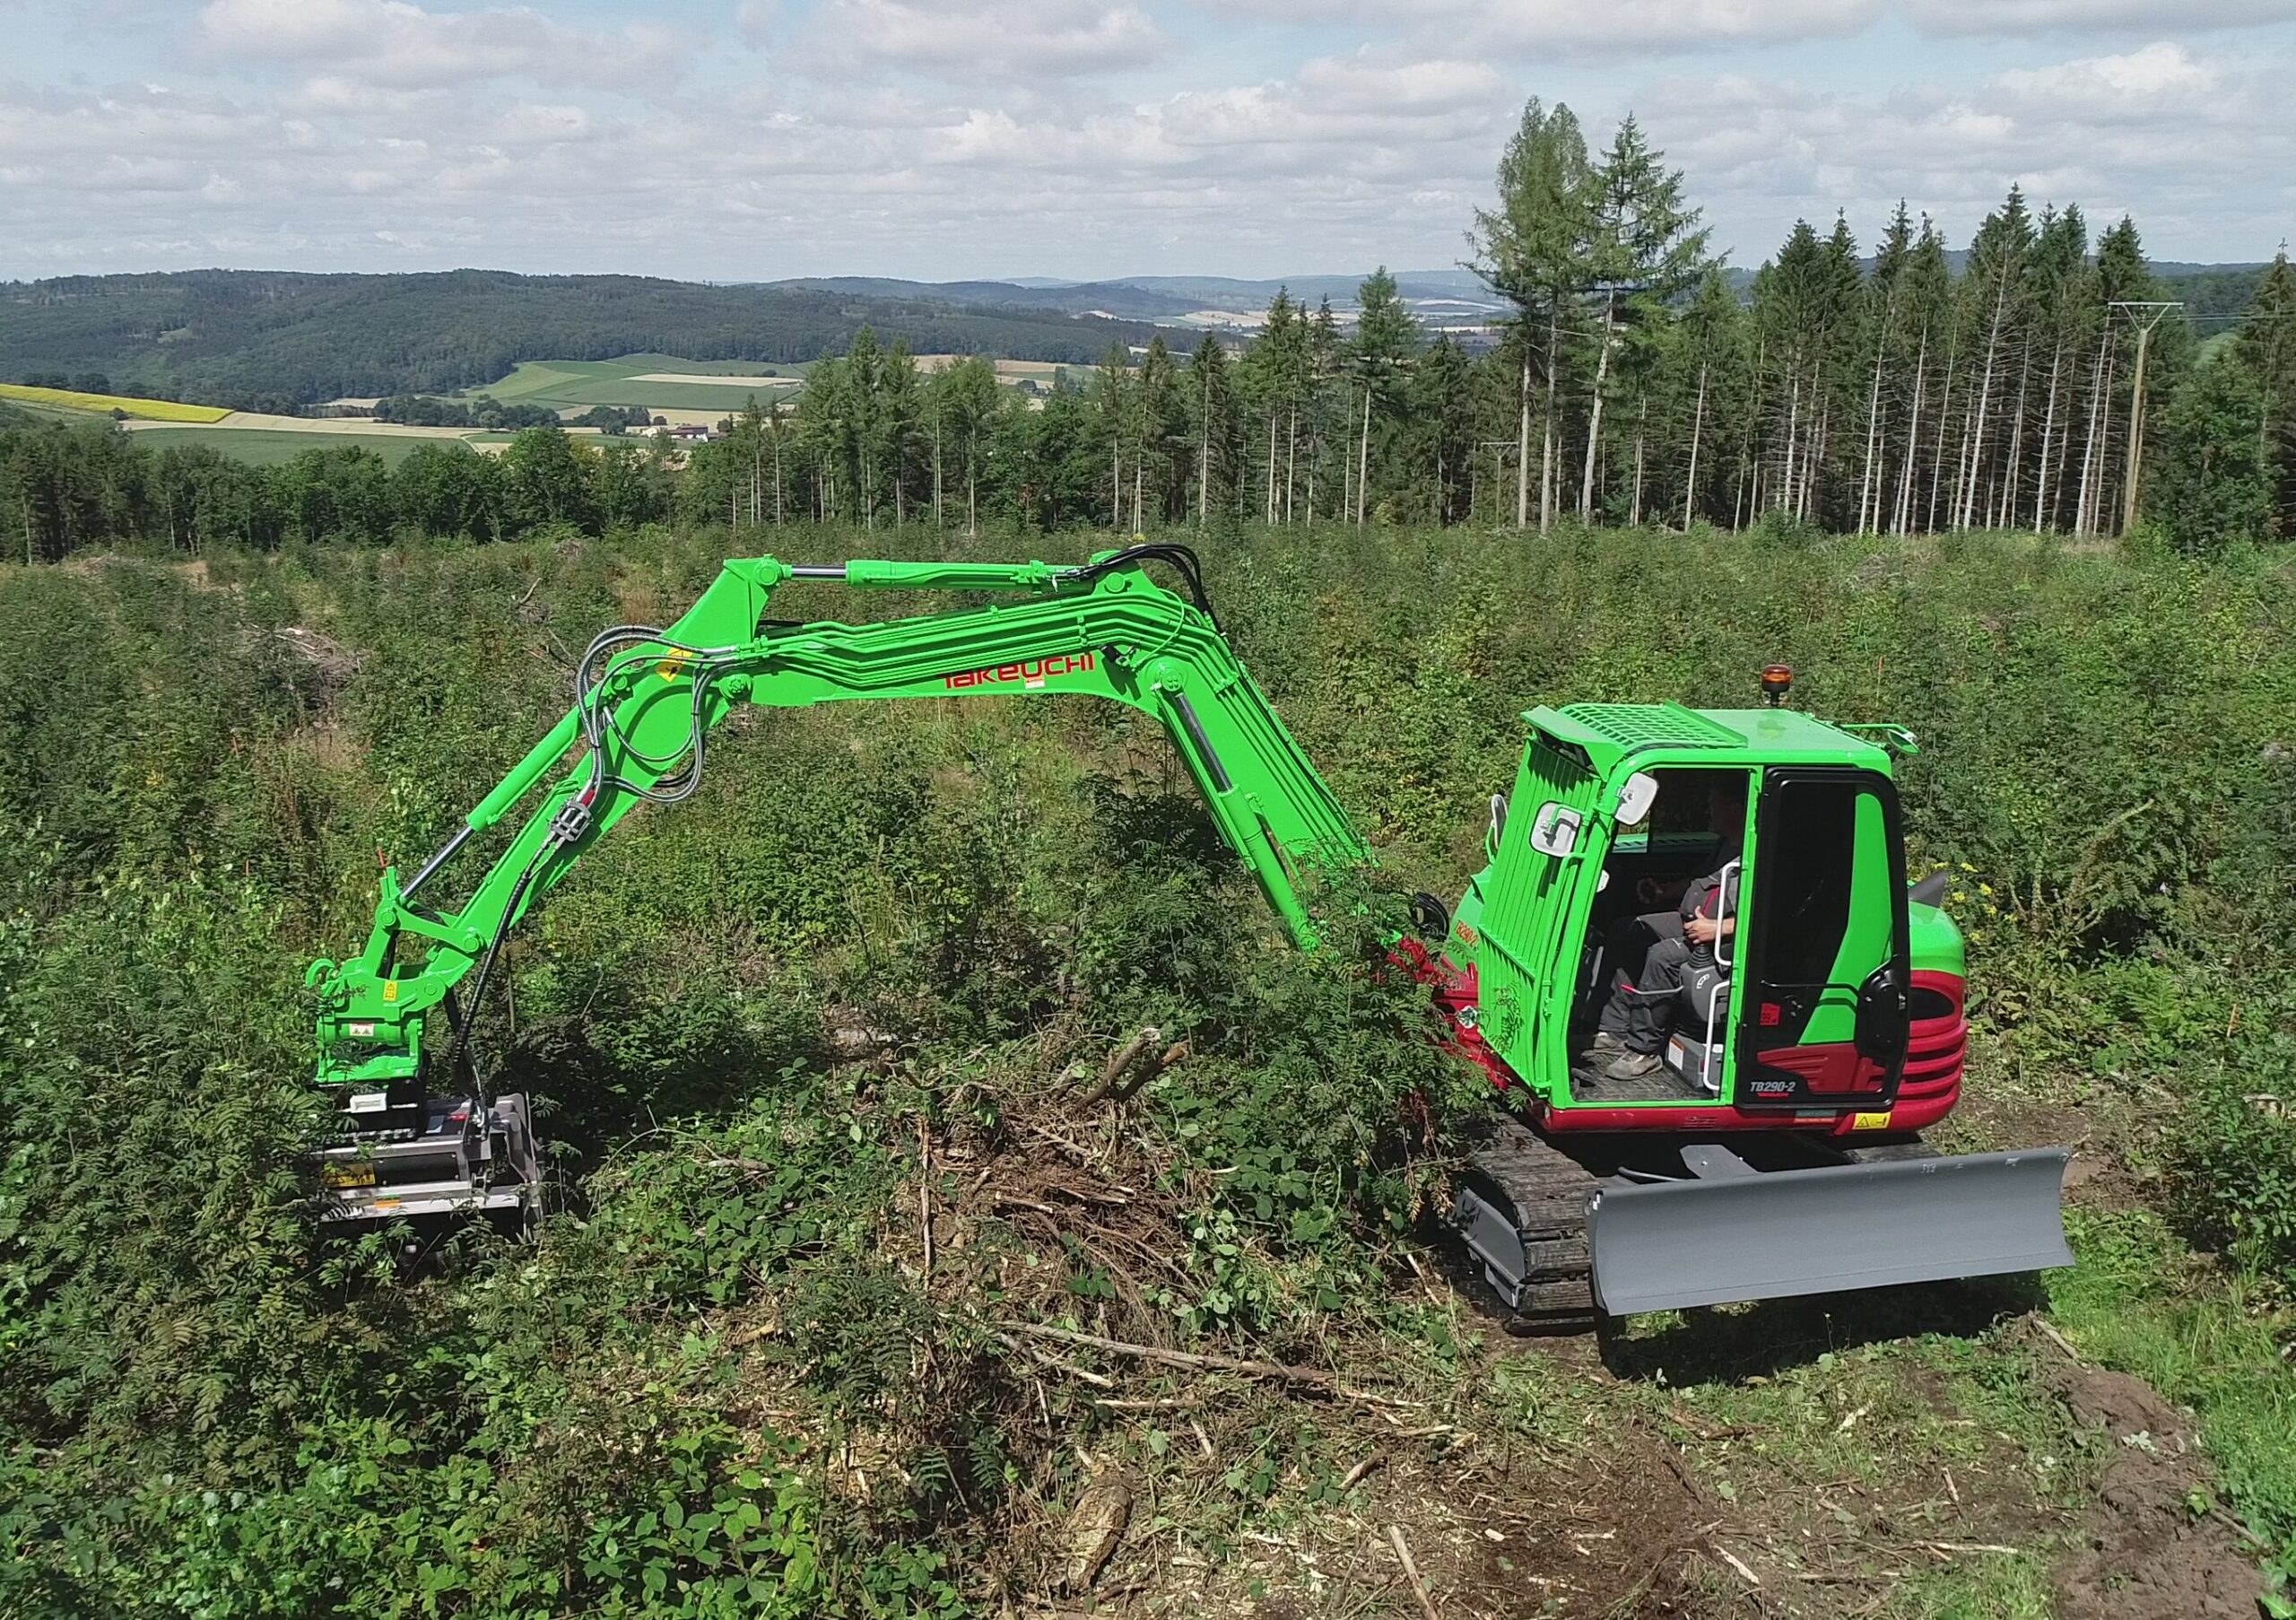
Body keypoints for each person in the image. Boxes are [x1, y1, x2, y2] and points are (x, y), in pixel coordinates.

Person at [1594, 775, 1747, 1080]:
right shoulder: (1726, 845)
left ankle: (1644, 1050)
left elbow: (1768, 917)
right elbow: (1699, 880)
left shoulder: (1760, 855)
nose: (1708, 811)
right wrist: (1664, 892)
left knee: (1663, 955)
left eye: (1713, 804)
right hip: (1692, 921)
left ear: (1732, 809)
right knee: (1628, 930)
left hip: (1723, 940)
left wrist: (1718, 928)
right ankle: (1614, 1028)